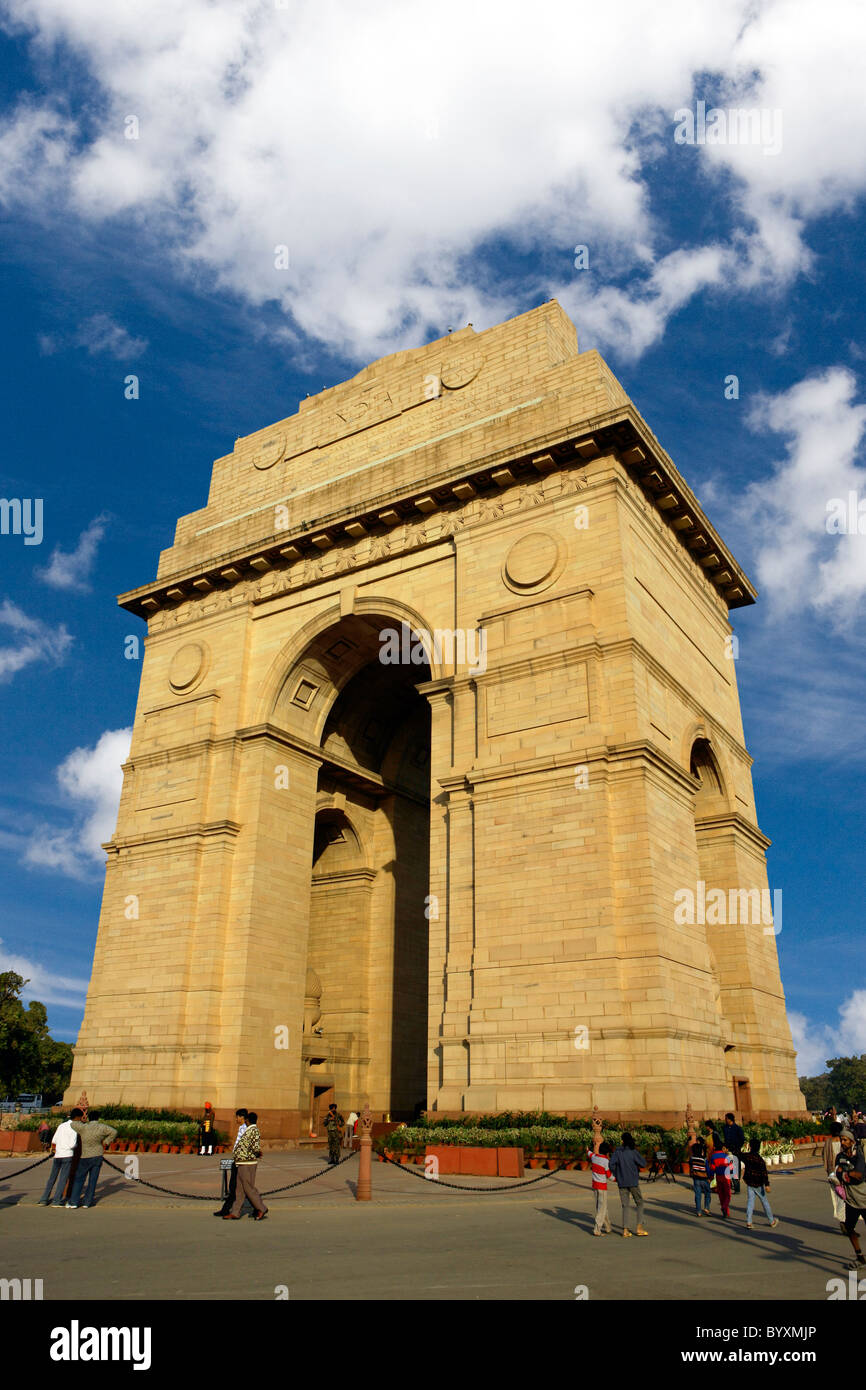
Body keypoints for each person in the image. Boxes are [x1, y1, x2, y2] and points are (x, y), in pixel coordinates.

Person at [66, 1111, 118, 1209]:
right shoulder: (102, 1127)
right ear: (98, 1118)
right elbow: (114, 1132)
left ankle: (74, 1202)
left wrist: (82, 1120)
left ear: (89, 1117)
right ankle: (87, 1202)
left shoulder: (83, 1127)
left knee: (79, 1179)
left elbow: (72, 1124)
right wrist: (106, 1141)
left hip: (85, 1155)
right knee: (93, 1180)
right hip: (97, 1154)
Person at [223, 1111, 267, 1220]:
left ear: (247, 1120)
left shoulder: (254, 1130)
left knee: (248, 1188)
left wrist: (257, 1152)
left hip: (247, 1163)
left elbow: (255, 1145)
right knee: (240, 1189)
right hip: (241, 1163)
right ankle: (236, 1212)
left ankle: (261, 1208)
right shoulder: (249, 1130)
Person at [835, 1129, 866, 1273]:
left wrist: (844, 1174)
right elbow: (836, 1173)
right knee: (849, 1228)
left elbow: (859, 1175)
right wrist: (848, 1175)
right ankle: (860, 1257)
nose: (842, 1142)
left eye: (845, 1140)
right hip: (851, 1200)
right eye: (841, 1139)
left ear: (852, 1141)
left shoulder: (859, 1155)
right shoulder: (840, 1156)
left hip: (864, 1197)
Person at [37, 1108, 82, 1206]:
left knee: (52, 1178)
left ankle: (44, 1199)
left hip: (58, 1154)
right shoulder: (75, 1127)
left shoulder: (61, 1125)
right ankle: (56, 1200)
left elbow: (54, 1140)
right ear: (78, 1117)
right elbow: (72, 1144)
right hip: (67, 1155)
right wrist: (76, 1145)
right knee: (63, 1179)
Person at [609, 1132, 648, 1237]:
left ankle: (625, 1230)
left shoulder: (617, 1152)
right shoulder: (633, 1151)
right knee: (639, 1202)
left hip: (621, 1181)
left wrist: (617, 1174)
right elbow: (643, 1163)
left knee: (625, 1205)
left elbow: (611, 1164)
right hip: (633, 1181)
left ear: (622, 1141)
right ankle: (639, 1227)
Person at [214, 1109, 251, 1217]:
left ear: (241, 1117)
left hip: (240, 1160)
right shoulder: (242, 1128)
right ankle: (227, 1209)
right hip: (238, 1159)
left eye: (237, 1117)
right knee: (238, 1186)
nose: (236, 1119)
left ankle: (259, 1208)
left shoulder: (246, 1129)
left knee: (238, 1186)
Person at [741, 1137, 778, 1230]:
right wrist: (767, 1185)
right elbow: (764, 1173)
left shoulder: (747, 1156)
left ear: (750, 1147)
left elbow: (738, 1155)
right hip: (758, 1184)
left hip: (750, 1182)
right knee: (764, 1201)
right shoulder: (760, 1160)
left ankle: (749, 1222)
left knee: (750, 1201)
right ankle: (771, 1221)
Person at [822, 1121, 847, 1233]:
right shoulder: (843, 1141)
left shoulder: (828, 1142)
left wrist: (829, 1171)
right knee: (846, 1196)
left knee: (837, 1196)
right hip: (843, 1172)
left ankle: (842, 1219)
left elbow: (824, 1157)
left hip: (832, 1173)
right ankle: (845, 1220)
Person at [590, 1138, 613, 1235]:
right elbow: (609, 1176)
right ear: (607, 1152)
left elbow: (589, 1153)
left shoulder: (594, 1157)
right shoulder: (605, 1161)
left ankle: (608, 1227)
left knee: (602, 1207)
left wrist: (591, 1146)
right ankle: (597, 1229)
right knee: (602, 1209)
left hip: (595, 1185)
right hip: (602, 1187)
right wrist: (617, 1179)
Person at [708, 1137, 732, 1219]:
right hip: (726, 1177)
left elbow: (712, 1168)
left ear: (714, 1147)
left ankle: (725, 1212)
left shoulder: (713, 1156)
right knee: (727, 1195)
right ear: (722, 1147)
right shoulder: (726, 1156)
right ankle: (725, 1208)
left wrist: (711, 1178)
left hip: (718, 1177)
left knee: (721, 1195)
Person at [689, 1137, 711, 1216]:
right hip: (704, 1178)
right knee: (707, 1193)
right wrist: (709, 1177)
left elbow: (691, 1166)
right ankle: (706, 1208)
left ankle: (698, 1211)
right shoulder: (704, 1159)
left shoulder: (692, 1158)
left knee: (698, 1195)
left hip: (696, 1178)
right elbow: (708, 1170)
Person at [722, 1112, 745, 1192]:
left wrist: (736, 1147)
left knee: (736, 1168)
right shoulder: (725, 1128)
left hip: (736, 1150)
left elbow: (742, 1139)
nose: (725, 1120)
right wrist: (725, 1146)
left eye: (726, 1118)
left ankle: (737, 1186)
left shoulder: (737, 1128)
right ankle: (731, 1184)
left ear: (730, 1119)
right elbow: (726, 1139)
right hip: (728, 1151)